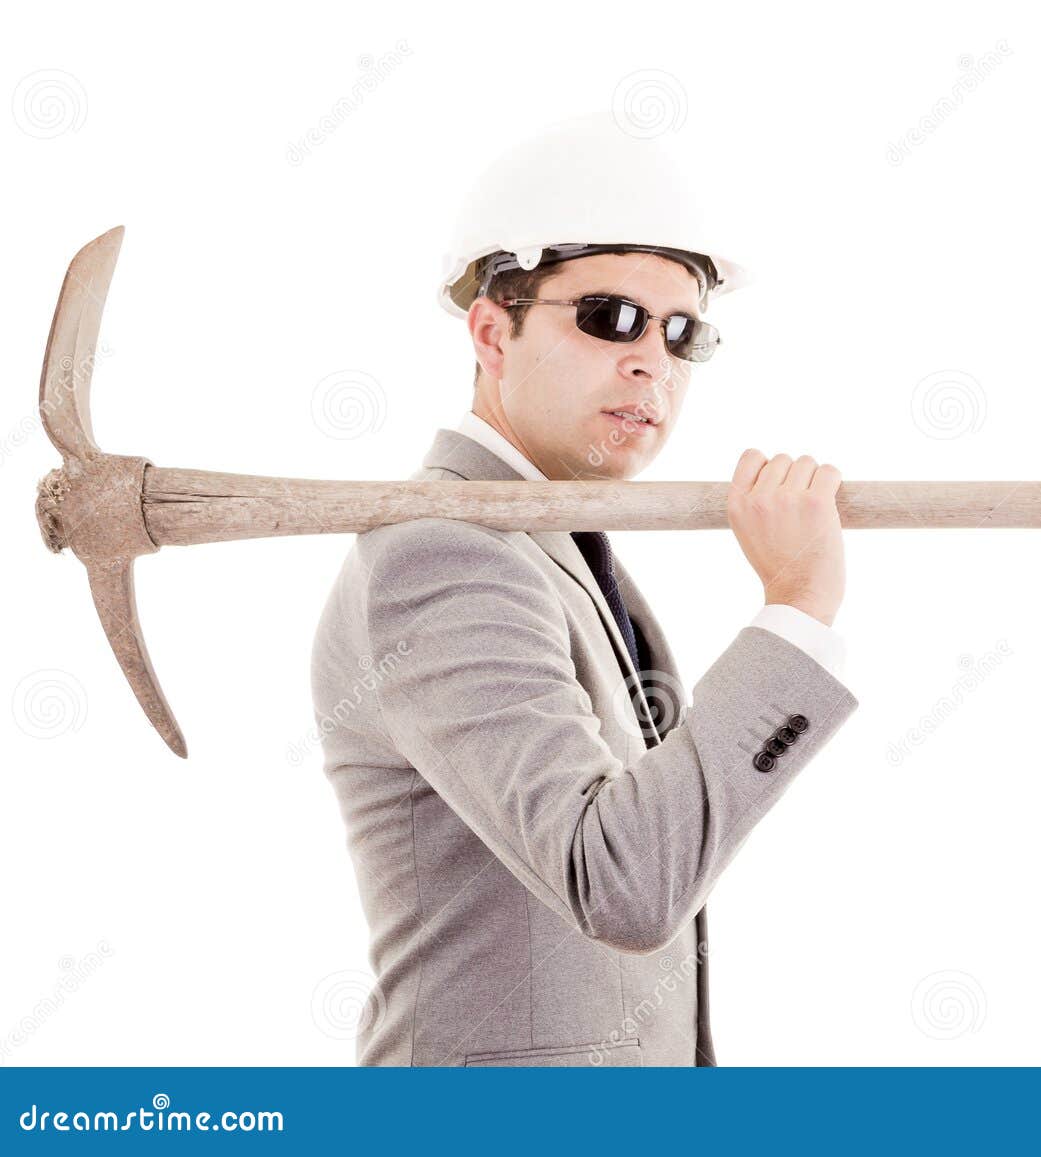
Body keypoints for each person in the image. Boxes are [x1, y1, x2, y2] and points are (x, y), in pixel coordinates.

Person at [309, 112, 856, 1066]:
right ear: (491, 330)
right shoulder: (447, 550)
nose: (653, 358)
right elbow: (625, 882)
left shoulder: (554, 544)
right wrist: (796, 609)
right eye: (609, 316)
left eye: (683, 331)